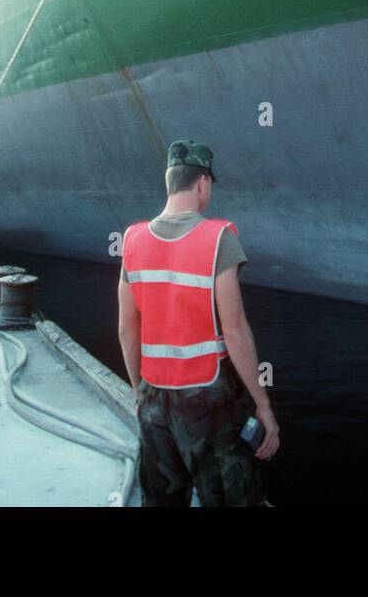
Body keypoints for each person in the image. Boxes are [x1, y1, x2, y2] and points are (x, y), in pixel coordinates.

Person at [118, 140, 280, 507]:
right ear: (203, 183)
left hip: (155, 399)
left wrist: (140, 392)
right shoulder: (218, 238)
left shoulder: (132, 240)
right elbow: (235, 330)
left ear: (169, 182)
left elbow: (127, 329)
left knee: (162, 499)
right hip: (209, 402)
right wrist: (263, 406)